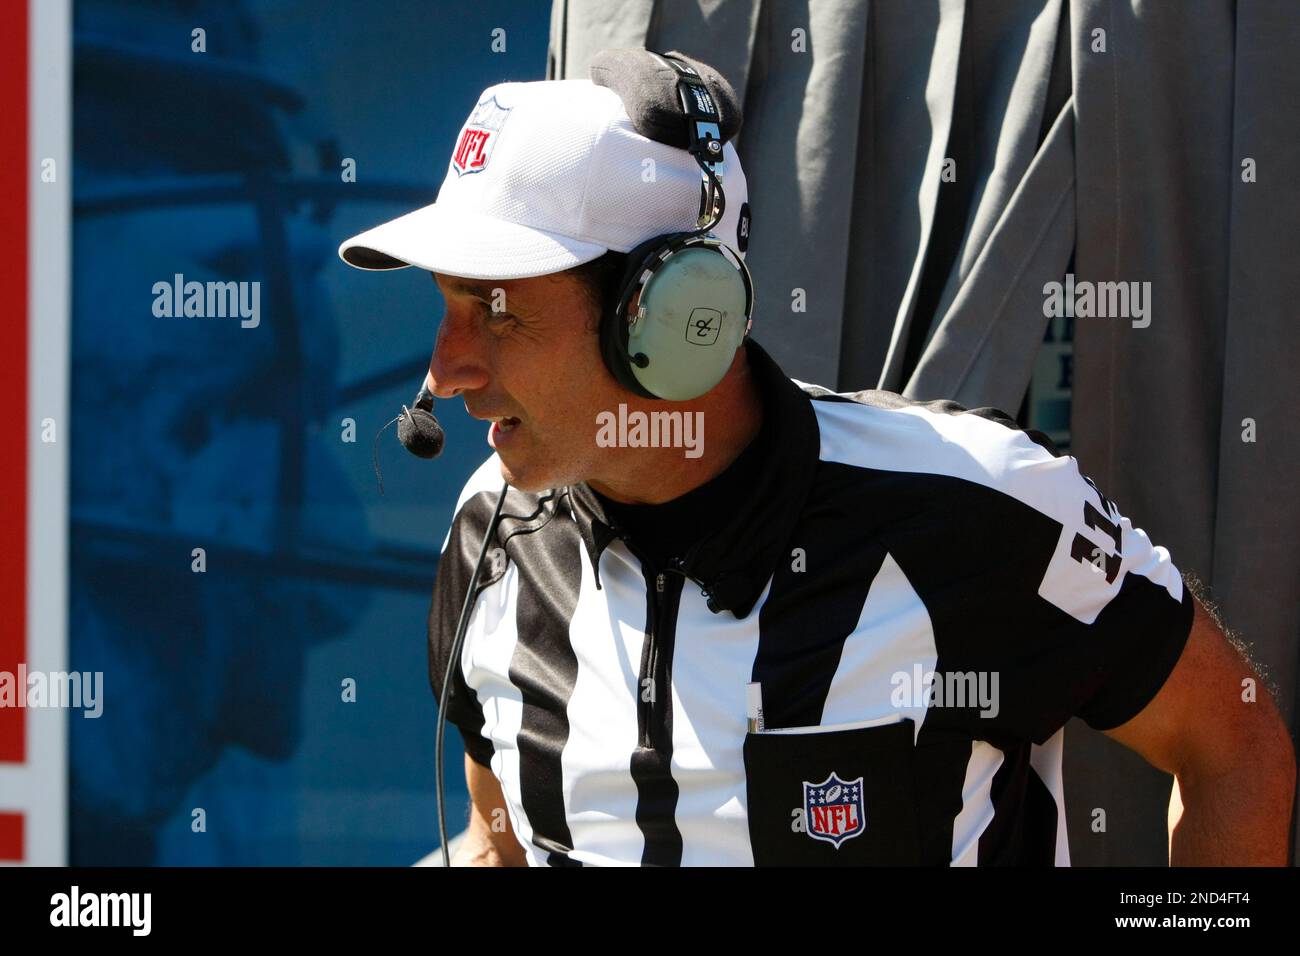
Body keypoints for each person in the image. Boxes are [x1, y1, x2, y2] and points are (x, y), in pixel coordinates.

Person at [338, 50, 1295, 866]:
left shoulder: (978, 507)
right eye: (447, 306)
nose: (444, 369)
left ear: (675, 314)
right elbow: (498, 843)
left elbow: (1235, 750)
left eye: (495, 308)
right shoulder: (490, 532)